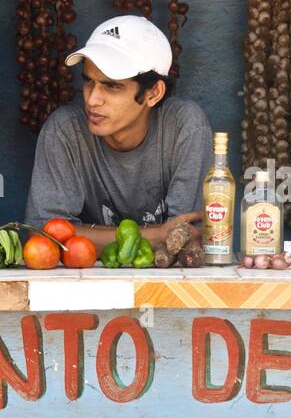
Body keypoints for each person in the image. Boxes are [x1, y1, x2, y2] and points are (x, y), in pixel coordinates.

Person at [24, 15, 210, 249]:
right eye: (89, 81)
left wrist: (84, 235)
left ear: (153, 93)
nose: (92, 99)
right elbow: (42, 236)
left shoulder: (184, 126)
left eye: (112, 86)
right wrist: (155, 236)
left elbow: (183, 238)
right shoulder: (65, 130)